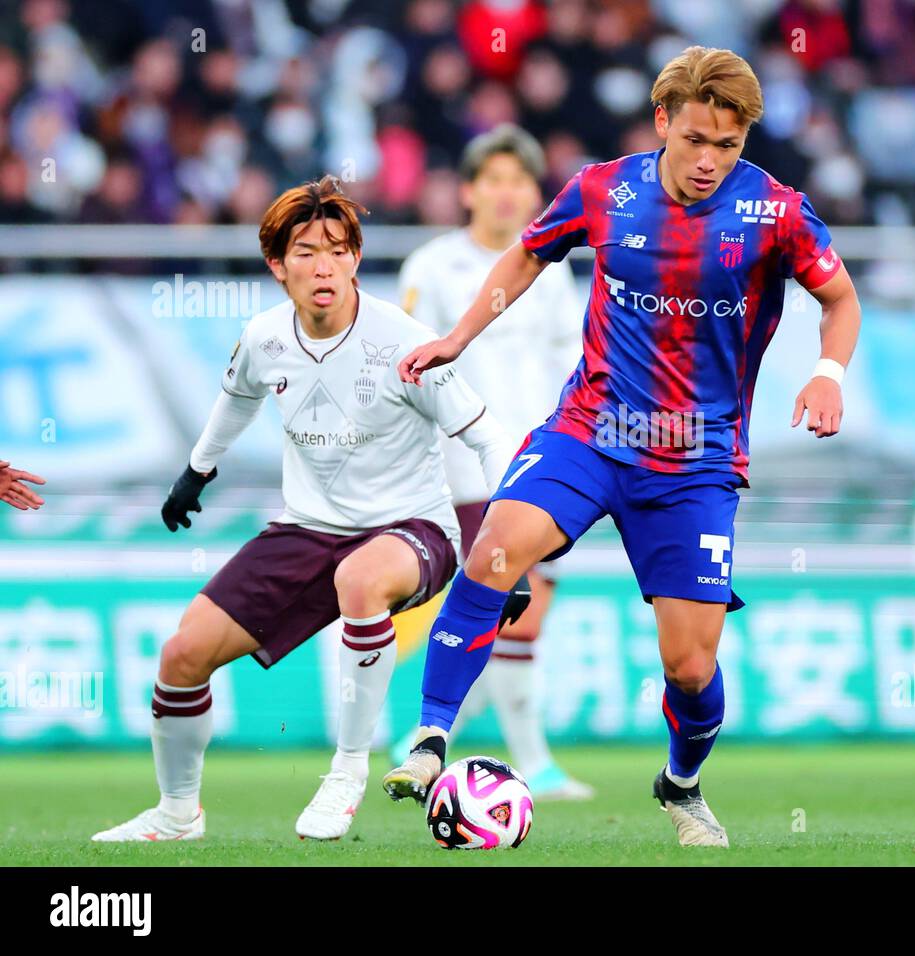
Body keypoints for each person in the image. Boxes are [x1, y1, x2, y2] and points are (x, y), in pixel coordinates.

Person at [383, 46, 862, 848]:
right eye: (696, 140)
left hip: (697, 460)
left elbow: (839, 299)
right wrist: (458, 337)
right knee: (496, 550)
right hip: (590, 430)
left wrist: (826, 373)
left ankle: (680, 784)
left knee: (691, 667)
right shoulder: (606, 189)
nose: (710, 161)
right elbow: (529, 252)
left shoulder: (775, 211)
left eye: (729, 145)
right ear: (663, 121)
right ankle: (431, 740)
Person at [91, 175, 517, 842]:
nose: (324, 266)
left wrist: (500, 549)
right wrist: (196, 473)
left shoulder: (404, 343)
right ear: (277, 264)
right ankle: (177, 814)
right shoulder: (265, 338)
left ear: (355, 258)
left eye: (339, 250)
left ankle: (347, 771)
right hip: (309, 527)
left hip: (413, 527)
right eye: (307, 251)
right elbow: (236, 400)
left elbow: (489, 439)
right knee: (181, 657)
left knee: (360, 579)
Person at [396, 124, 592, 800]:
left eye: (521, 182)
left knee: (520, 614)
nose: (509, 195)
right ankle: (530, 760)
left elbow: (574, 362)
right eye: (495, 180)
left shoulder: (554, 269)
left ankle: (426, 736)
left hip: (549, 460)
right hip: (470, 464)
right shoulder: (432, 267)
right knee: (514, 604)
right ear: (469, 190)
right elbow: (411, 367)